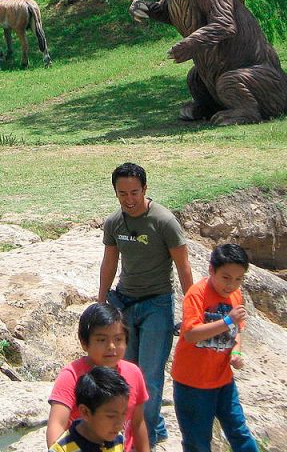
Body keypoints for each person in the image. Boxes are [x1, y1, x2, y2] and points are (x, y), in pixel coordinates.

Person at [97, 162, 194, 447]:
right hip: (124, 303)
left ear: (145, 189)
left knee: (150, 376)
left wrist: (193, 309)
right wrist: (101, 300)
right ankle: (155, 427)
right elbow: (110, 261)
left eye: (134, 193)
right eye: (122, 193)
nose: (129, 199)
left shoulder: (164, 221)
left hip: (157, 305)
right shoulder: (114, 222)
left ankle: (144, 441)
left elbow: (184, 266)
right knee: (126, 374)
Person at [171, 243, 258, 452]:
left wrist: (236, 352)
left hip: (222, 380)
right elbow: (191, 334)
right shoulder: (197, 294)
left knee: (239, 431)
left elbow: (238, 331)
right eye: (226, 277)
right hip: (192, 383)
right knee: (197, 441)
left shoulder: (235, 296)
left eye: (238, 279)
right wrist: (227, 321)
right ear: (212, 270)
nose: (231, 285)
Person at [47, 303, 150, 452]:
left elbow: (138, 422)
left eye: (118, 339)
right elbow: (57, 423)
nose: (111, 346)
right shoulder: (72, 375)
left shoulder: (133, 373)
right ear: (84, 343)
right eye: (102, 340)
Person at [49, 366, 130, 452]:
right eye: (111, 416)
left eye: (124, 413)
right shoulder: (61, 450)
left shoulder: (118, 439)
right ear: (85, 412)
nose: (119, 425)